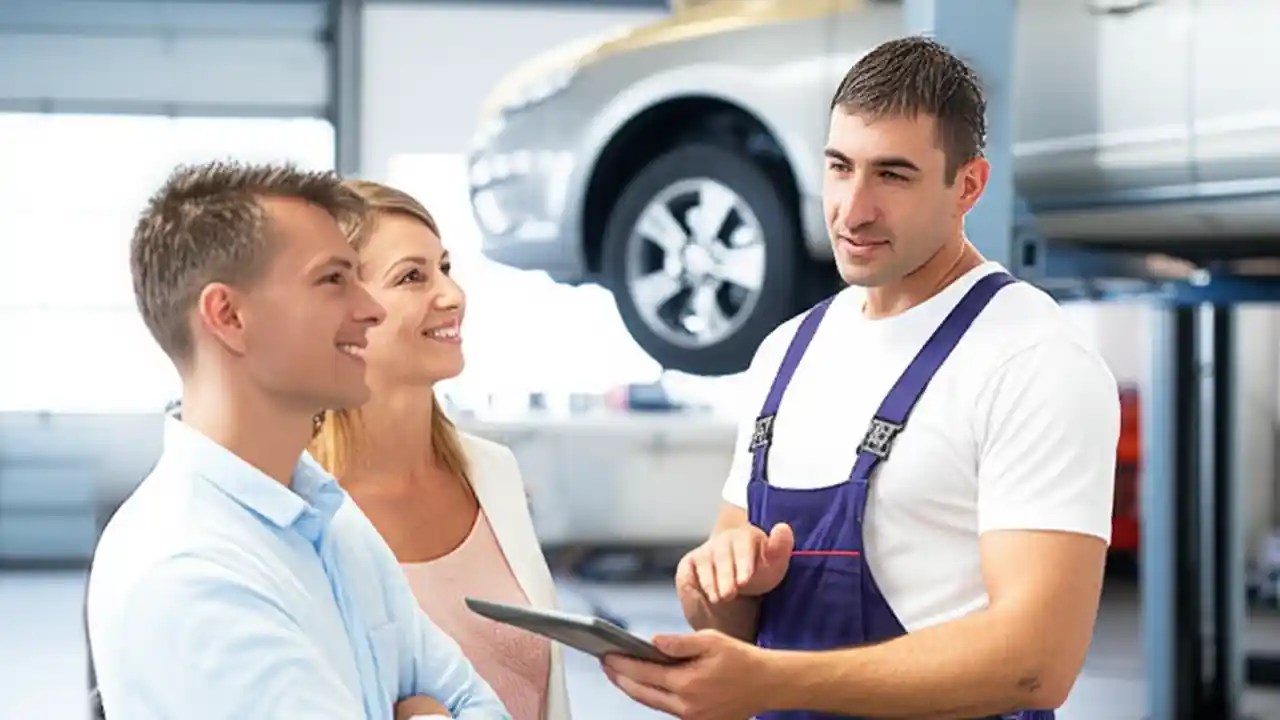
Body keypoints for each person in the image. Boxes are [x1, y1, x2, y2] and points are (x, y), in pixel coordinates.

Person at [600, 36, 1120, 720]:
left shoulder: (1032, 359)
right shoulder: (787, 353)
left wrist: (774, 683)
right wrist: (710, 586)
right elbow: (736, 623)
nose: (853, 208)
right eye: (840, 167)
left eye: (893, 175)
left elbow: (1034, 663)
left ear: (968, 185)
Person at [85, 160, 510, 720]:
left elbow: (476, 701)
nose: (370, 308)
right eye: (334, 280)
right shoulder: (190, 569)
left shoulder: (330, 518)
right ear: (229, 315)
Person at [307, 179, 571, 720]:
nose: (451, 296)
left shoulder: (492, 474)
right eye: (412, 277)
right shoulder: (302, 503)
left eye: (445, 267)